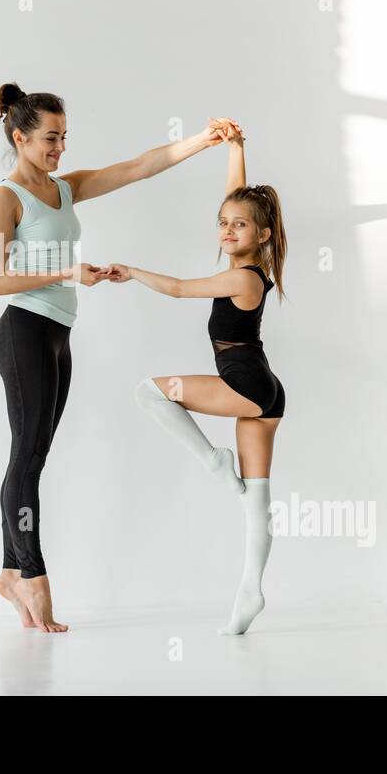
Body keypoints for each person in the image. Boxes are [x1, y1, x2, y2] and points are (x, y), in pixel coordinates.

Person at [0, 80, 238, 633]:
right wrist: (66, 272)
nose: (60, 149)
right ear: (20, 137)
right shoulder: (5, 198)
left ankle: (8, 570)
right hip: (23, 330)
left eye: (65, 138)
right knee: (26, 457)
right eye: (51, 139)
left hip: (58, 333)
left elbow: (139, 167)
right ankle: (32, 575)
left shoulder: (64, 189)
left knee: (32, 458)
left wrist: (203, 139)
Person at [104, 122, 287, 635]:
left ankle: (211, 461)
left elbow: (182, 288)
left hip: (245, 389)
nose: (227, 231)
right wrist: (236, 148)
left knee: (149, 392)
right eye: (222, 223)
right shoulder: (254, 267)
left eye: (239, 227)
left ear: (262, 236)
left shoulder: (241, 277)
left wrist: (133, 272)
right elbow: (240, 200)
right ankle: (251, 591)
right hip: (266, 394)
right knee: (257, 500)